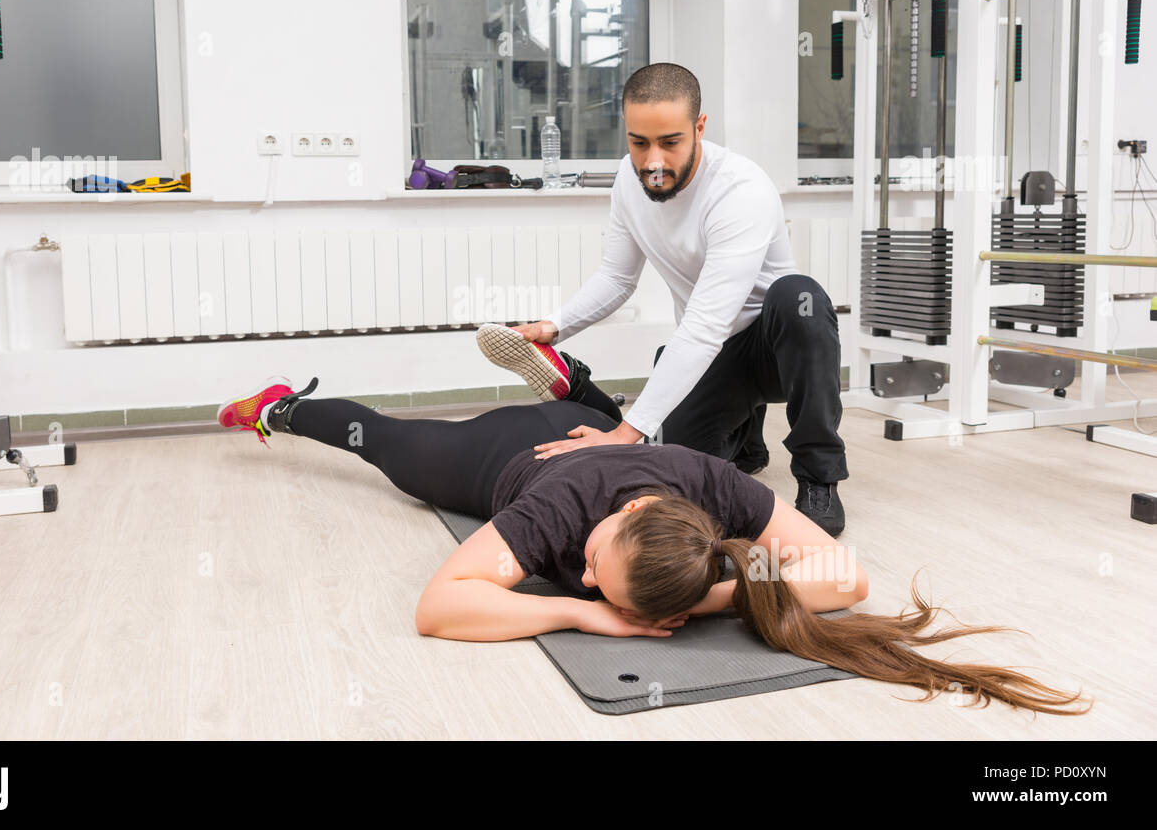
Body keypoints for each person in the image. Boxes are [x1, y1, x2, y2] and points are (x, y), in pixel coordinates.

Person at [217, 376, 1091, 716]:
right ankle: (284, 407)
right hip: (511, 453)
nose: (587, 575)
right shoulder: (557, 517)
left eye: (600, 586)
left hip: (605, 431)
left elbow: (847, 579)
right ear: (617, 520)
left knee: (602, 425)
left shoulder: (713, 491)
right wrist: (582, 614)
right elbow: (437, 608)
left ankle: (579, 386)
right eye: (598, 564)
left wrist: (717, 593)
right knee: (391, 444)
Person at [478, 62, 849, 536]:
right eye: (639, 142)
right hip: (719, 356)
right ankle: (745, 437)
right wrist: (554, 326)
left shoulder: (741, 189)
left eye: (670, 142)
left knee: (802, 298)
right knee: (677, 471)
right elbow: (617, 276)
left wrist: (625, 433)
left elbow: (704, 327)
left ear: (699, 127)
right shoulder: (627, 183)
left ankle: (819, 478)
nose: (653, 161)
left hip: (777, 349)